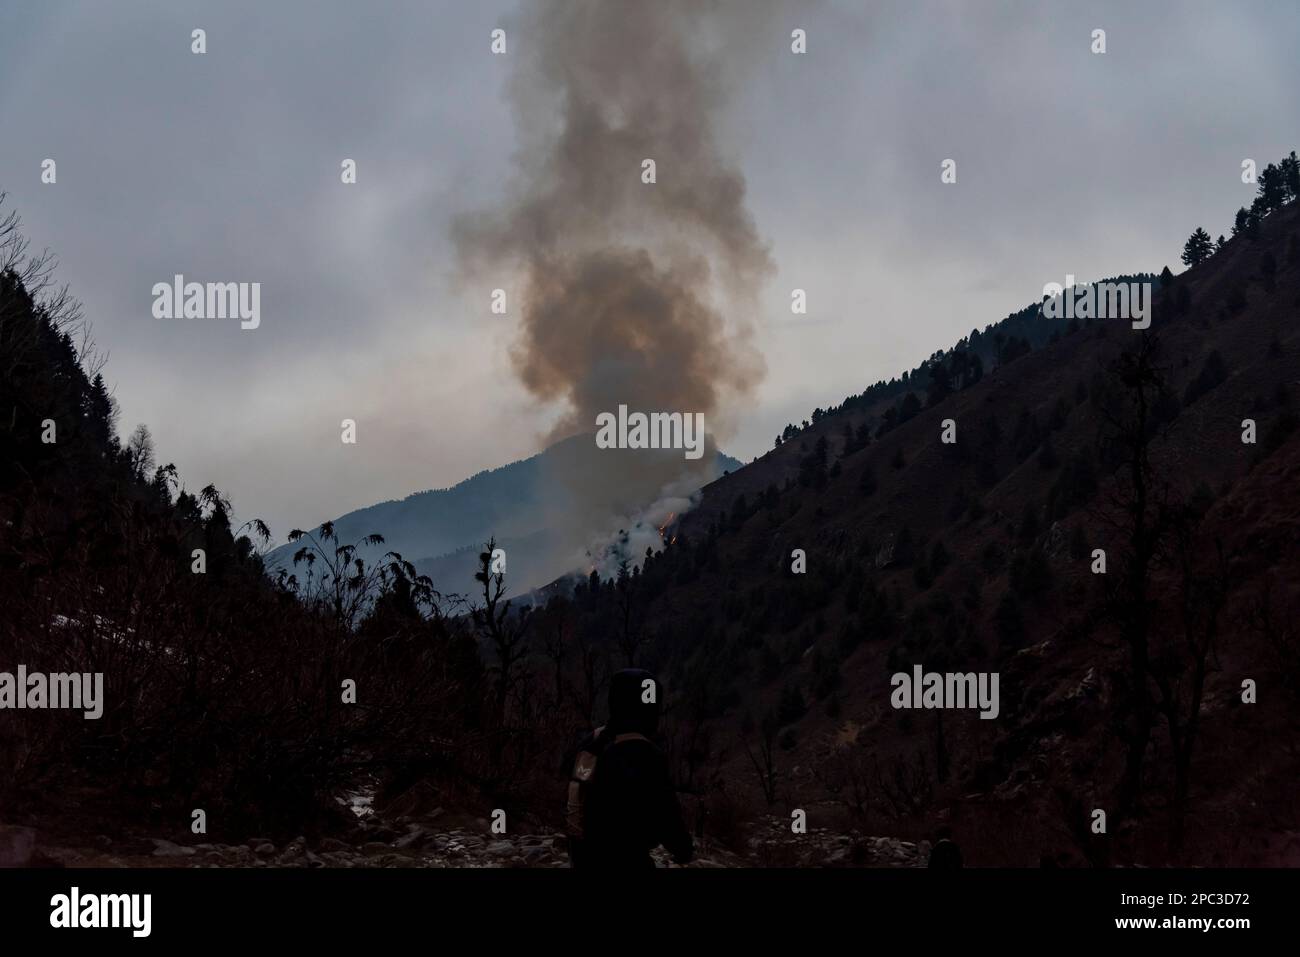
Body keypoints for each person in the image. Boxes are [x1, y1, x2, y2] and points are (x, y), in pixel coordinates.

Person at [566, 668, 694, 869]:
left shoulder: (592, 742)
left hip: (582, 856)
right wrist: (684, 850)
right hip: (626, 858)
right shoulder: (647, 754)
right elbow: (666, 815)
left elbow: (574, 789)